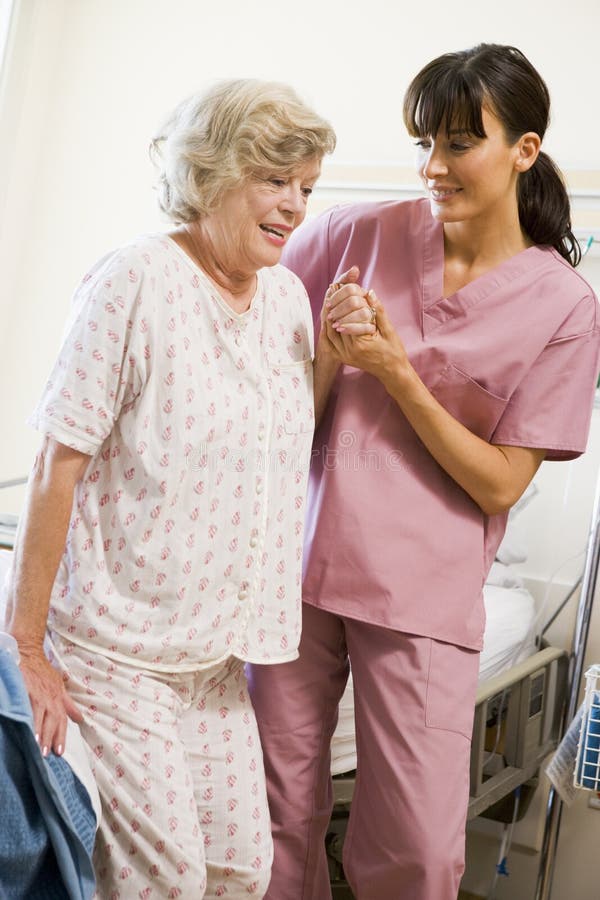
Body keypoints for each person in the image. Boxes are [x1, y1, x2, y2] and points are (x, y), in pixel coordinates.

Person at [247, 44, 600, 900]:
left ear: (525, 149)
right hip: (295, 566)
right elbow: (269, 405)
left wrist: (396, 370)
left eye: (458, 143)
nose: (433, 168)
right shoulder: (350, 234)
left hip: (420, 592)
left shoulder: (563, 305)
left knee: (416, 850)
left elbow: (499, 485)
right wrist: (331, 357)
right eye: (423, 145)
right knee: (268, 812)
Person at [4, 78, 372, 899]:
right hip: (116, 650)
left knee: (244, 869)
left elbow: (281, 438)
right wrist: (25, 648)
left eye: (306, 186)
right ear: (212, 172)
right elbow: (56, 464)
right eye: (274, 179)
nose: (294, 206)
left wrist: (332, 363)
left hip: (213, 657)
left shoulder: (285, 297)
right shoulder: (134, 280)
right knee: (164, 876)